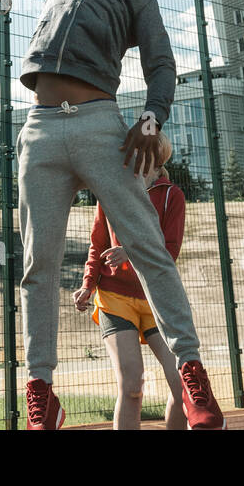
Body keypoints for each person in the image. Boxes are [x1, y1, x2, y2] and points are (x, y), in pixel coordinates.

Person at [17, 0, 224, 430]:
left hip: (103, 122)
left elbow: (162, 67)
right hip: (40, 128)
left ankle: (191, 376)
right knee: (36, 264)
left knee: (148, 248)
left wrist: (153, 120)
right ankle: (41, 389)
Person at [75, 132, 188, 429]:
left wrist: (131, 252)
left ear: (157, 158)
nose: (135, 158)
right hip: (115, 297)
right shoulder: (111, 190)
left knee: (181, 384)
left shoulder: (171, 196)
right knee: (132, 385)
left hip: (156, 298)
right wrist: (88, 284)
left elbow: (170, 251)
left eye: (143, 153)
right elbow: (97, 243)